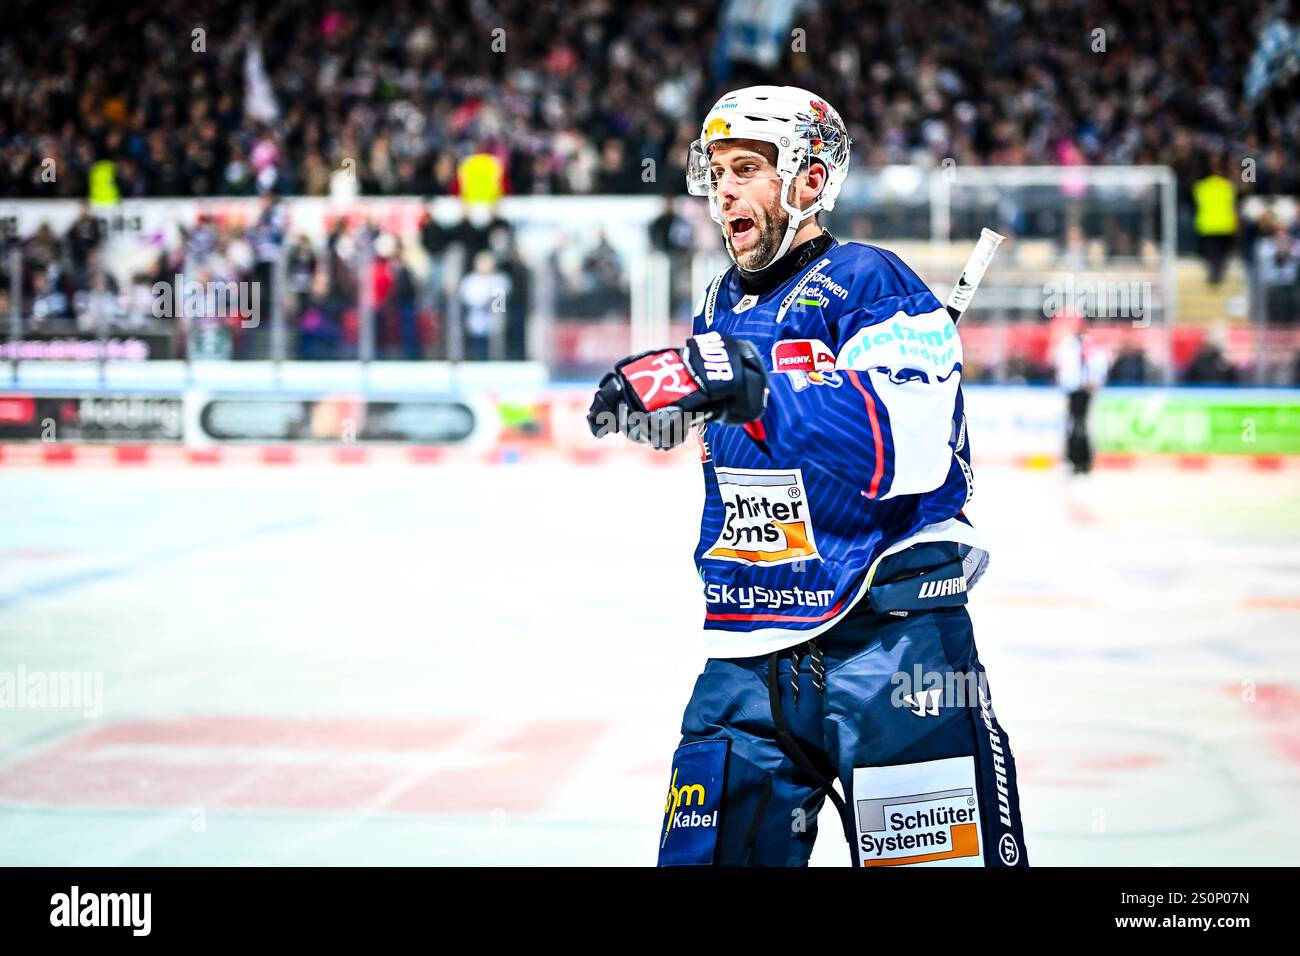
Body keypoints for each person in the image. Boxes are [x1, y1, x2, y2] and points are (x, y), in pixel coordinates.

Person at [587, 86, 1029, 867]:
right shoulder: (718, 301)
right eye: (717, 171)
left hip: (892, 652)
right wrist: (675, 417)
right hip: (747, 650)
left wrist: (748, 386)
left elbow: (910, 448)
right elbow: (743, 422)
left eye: (746, 168)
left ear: (809, 181)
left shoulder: (873, 282)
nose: (724, 190)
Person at [1052, 310, 1108, 474]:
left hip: (1085, 390)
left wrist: (1095, 380)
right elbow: (1062, 367)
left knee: (1082, 425)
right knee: (1073, 424)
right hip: (1072, 389)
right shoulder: (1067, 345)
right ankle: (1073, 459)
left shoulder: (1089, 345)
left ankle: (1084, 460)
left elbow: (1098, 364)